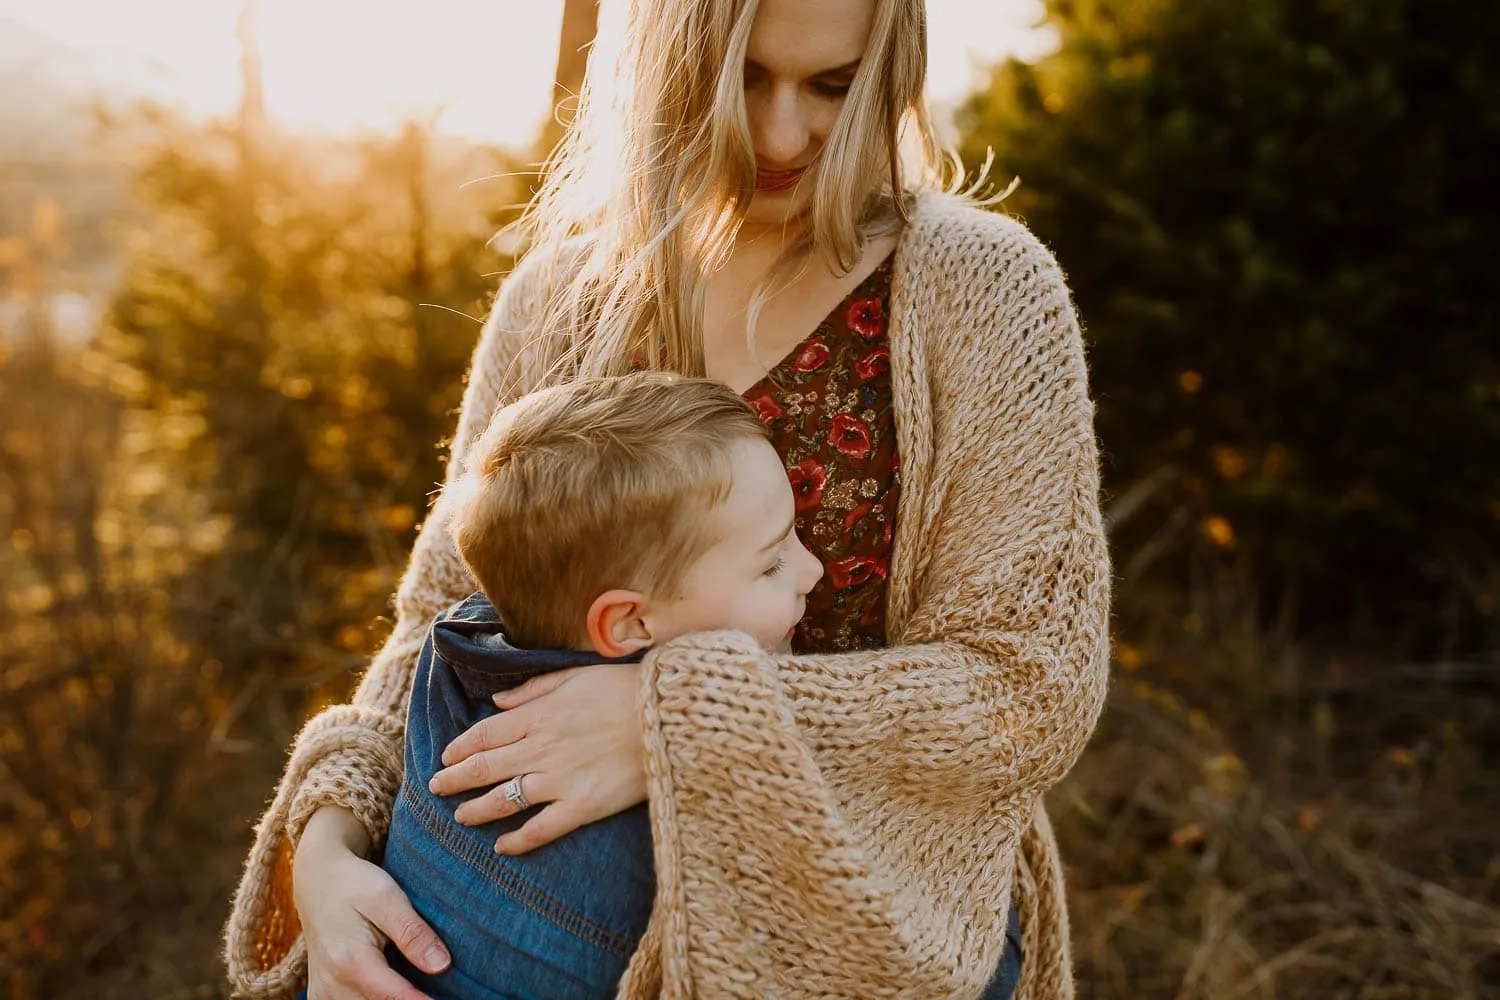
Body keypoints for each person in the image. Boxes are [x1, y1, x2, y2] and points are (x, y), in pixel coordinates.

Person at [225, 0, 1111, 997]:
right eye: (740, 79)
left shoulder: (986, 295)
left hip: (880, 942)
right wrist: (332, 843)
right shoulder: (561, 300)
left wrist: (676, 716)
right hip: (530, 939)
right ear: (664, 62)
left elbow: (1030, 688)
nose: (781, 135)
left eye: (831, 85)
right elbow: (442, 620)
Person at [382, 372, 826, 999]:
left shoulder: (449, 662)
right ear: (628, 622)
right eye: (772, 561)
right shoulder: (696, 833)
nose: (814, 570)